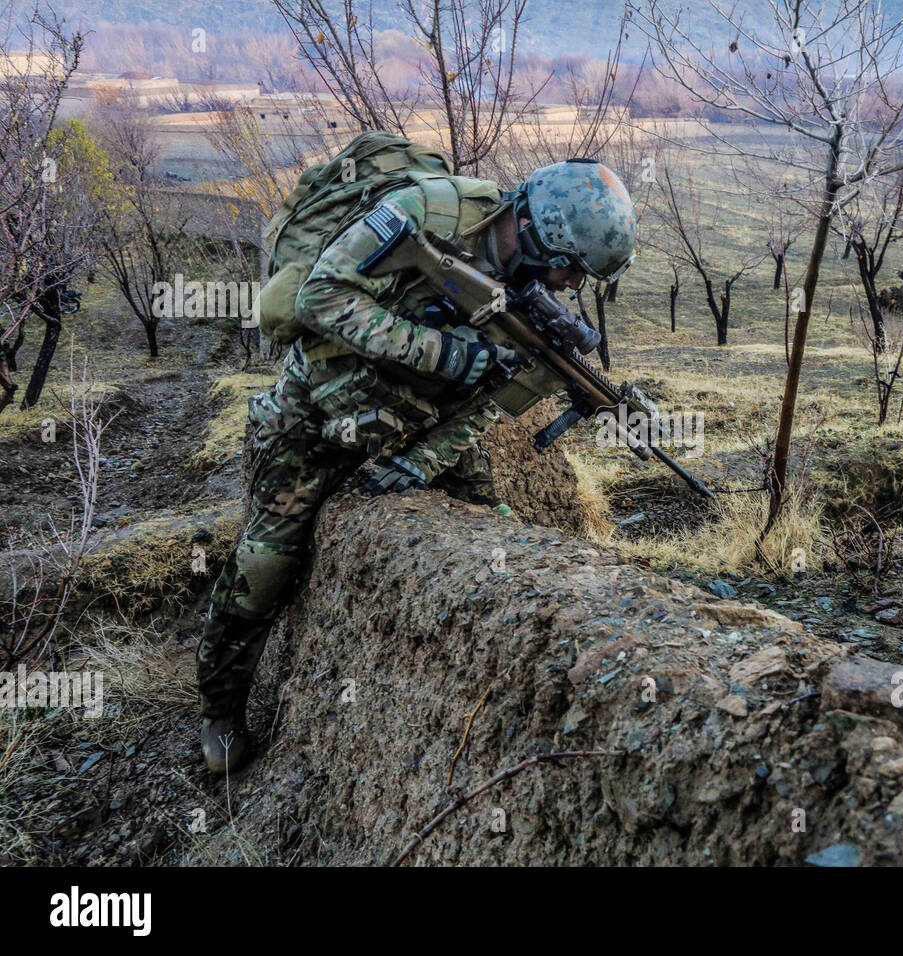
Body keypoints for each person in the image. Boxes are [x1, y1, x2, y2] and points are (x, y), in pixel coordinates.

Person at [197, 157, 637, 773]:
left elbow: (486, 407)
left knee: (502, 538)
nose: (568, 286)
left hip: (416, 417)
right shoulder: (427, 212)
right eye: (569, 268)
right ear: (542, 236)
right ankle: (221, 706)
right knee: (267, 560)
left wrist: (423, 459)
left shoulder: (524, 301)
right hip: (316, 406)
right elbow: (320, 296)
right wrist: (449, 355)